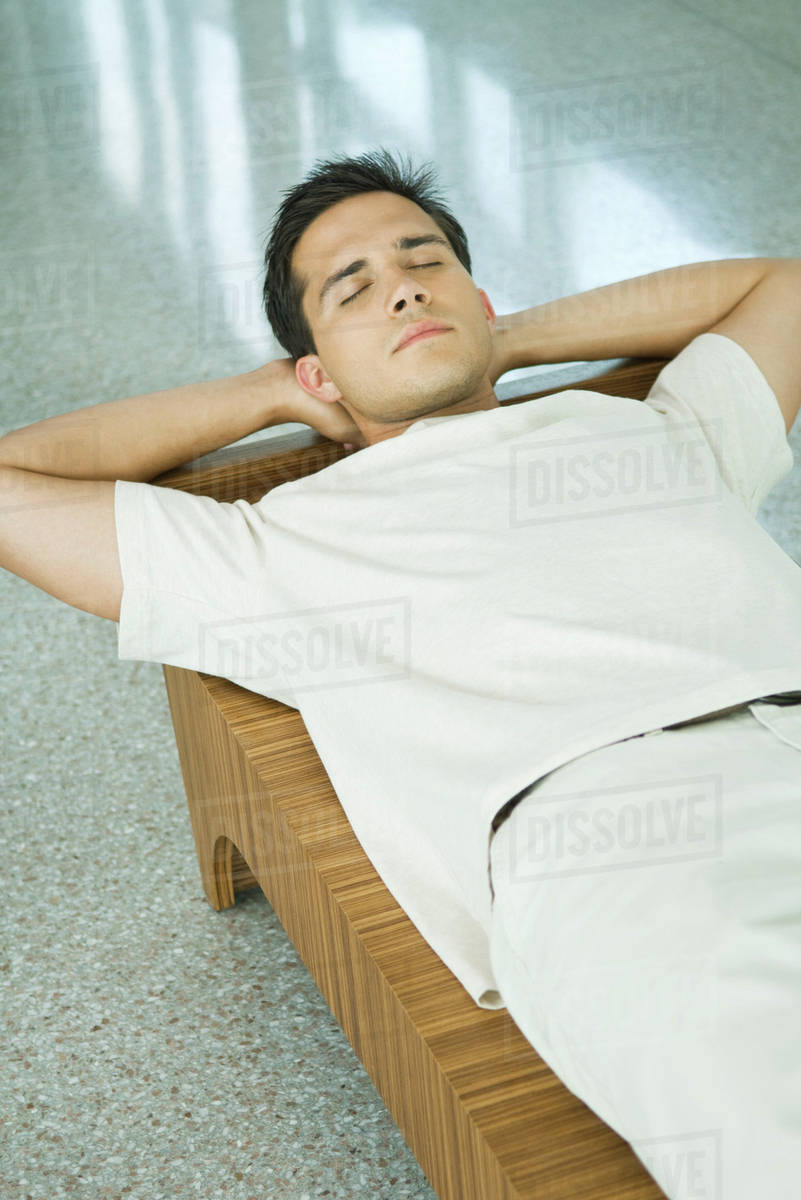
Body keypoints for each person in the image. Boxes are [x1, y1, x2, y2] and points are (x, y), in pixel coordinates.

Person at [2, 146, 800, 1198]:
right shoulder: (278, 547)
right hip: (612, 848)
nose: (405, 289)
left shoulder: (653, 427)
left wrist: (507, 337)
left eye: (424, 263)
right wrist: (267, 395)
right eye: (353, 289)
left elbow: (781, 285)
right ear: (318, 373)